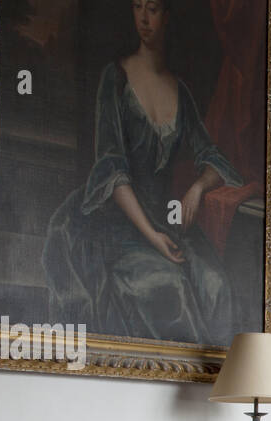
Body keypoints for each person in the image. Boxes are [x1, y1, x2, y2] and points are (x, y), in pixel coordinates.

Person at [43, 0, 242, 346]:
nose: (144, 18)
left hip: (167, 221)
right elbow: (112, 168)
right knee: (169, 287)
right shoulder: (115, 78)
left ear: (167, 17)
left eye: (153, 9)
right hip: (121, 222)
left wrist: (197, 187)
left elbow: (212, 157)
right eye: (138, 7)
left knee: (217, 286)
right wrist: (151, 237)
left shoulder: (181, 90)